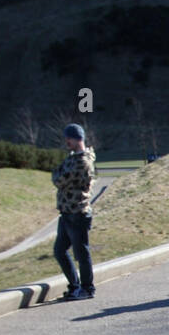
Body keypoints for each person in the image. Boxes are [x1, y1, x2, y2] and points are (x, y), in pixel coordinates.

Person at [51, 123, 96, 300]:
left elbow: (59, 179)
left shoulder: (82, 162)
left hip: (78, 213)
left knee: (81, 253)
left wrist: (58, 174)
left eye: (68, 138)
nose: (66, 141)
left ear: (77, 139)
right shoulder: (72, 158)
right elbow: (58, 174)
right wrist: (58, 174)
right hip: (66, 212)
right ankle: (75, 286)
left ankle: (87, 288)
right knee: (59, 251)